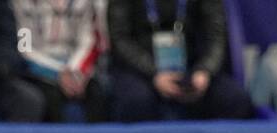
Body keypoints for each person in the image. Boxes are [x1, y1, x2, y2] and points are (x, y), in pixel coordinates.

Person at [106, 0, 253, 122]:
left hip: (193, 67)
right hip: (141, 70)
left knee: (234, 100)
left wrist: (205, 70)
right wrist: (154, 73)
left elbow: (216, 34)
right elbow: (120, 39)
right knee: (136, 102)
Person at [12, 0, 109, 123]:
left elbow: (88, 40)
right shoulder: (22, 3)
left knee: (97, 92)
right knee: (49, 97)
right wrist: (58, 73)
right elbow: (24, 47)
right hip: (39, 68)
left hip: (74, 66)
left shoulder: (83, 3)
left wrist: (75, 70)